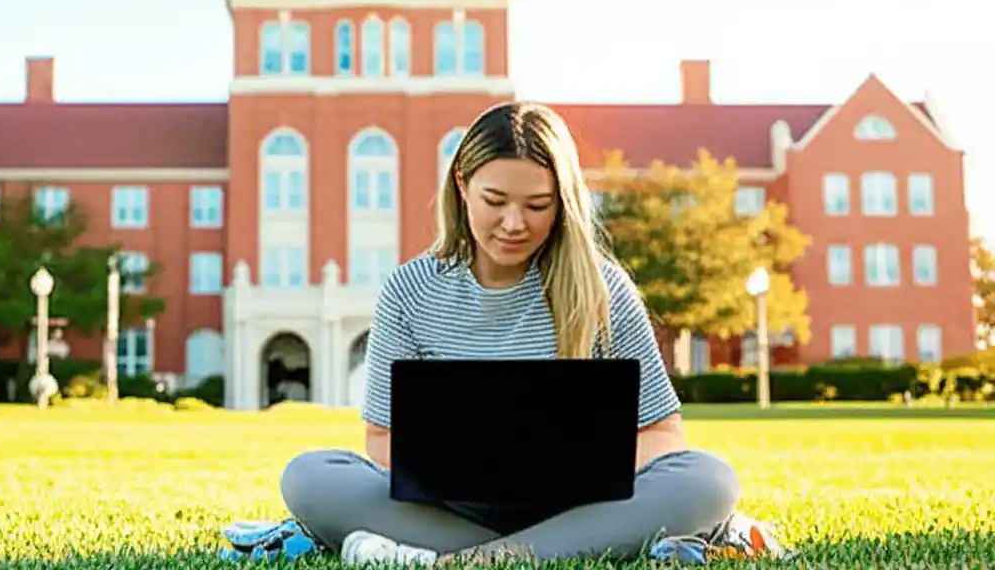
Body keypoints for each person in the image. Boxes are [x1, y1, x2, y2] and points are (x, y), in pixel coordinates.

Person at [220, 101, 786, 566]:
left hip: (579, 503)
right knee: (312, 477)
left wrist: (569, 464)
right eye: (495, 201)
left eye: (537, 206)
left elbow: (664, 435)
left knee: (707, 480)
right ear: (462, 187)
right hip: (455, 508)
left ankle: (457, 560)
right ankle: (559, 551)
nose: (514, 224)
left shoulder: (602, 288)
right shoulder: (410, 290)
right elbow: (381, 443)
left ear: (562, 205)